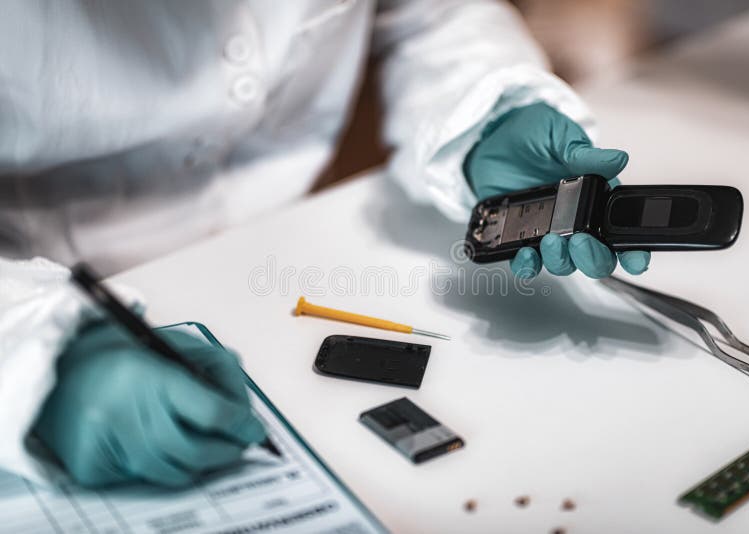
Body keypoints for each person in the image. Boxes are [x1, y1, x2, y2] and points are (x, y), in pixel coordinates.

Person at [0, 1, 649, 488]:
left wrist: (483, 117)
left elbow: (430, 17)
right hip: (51, 281)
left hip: (303, 257)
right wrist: (33, 361)